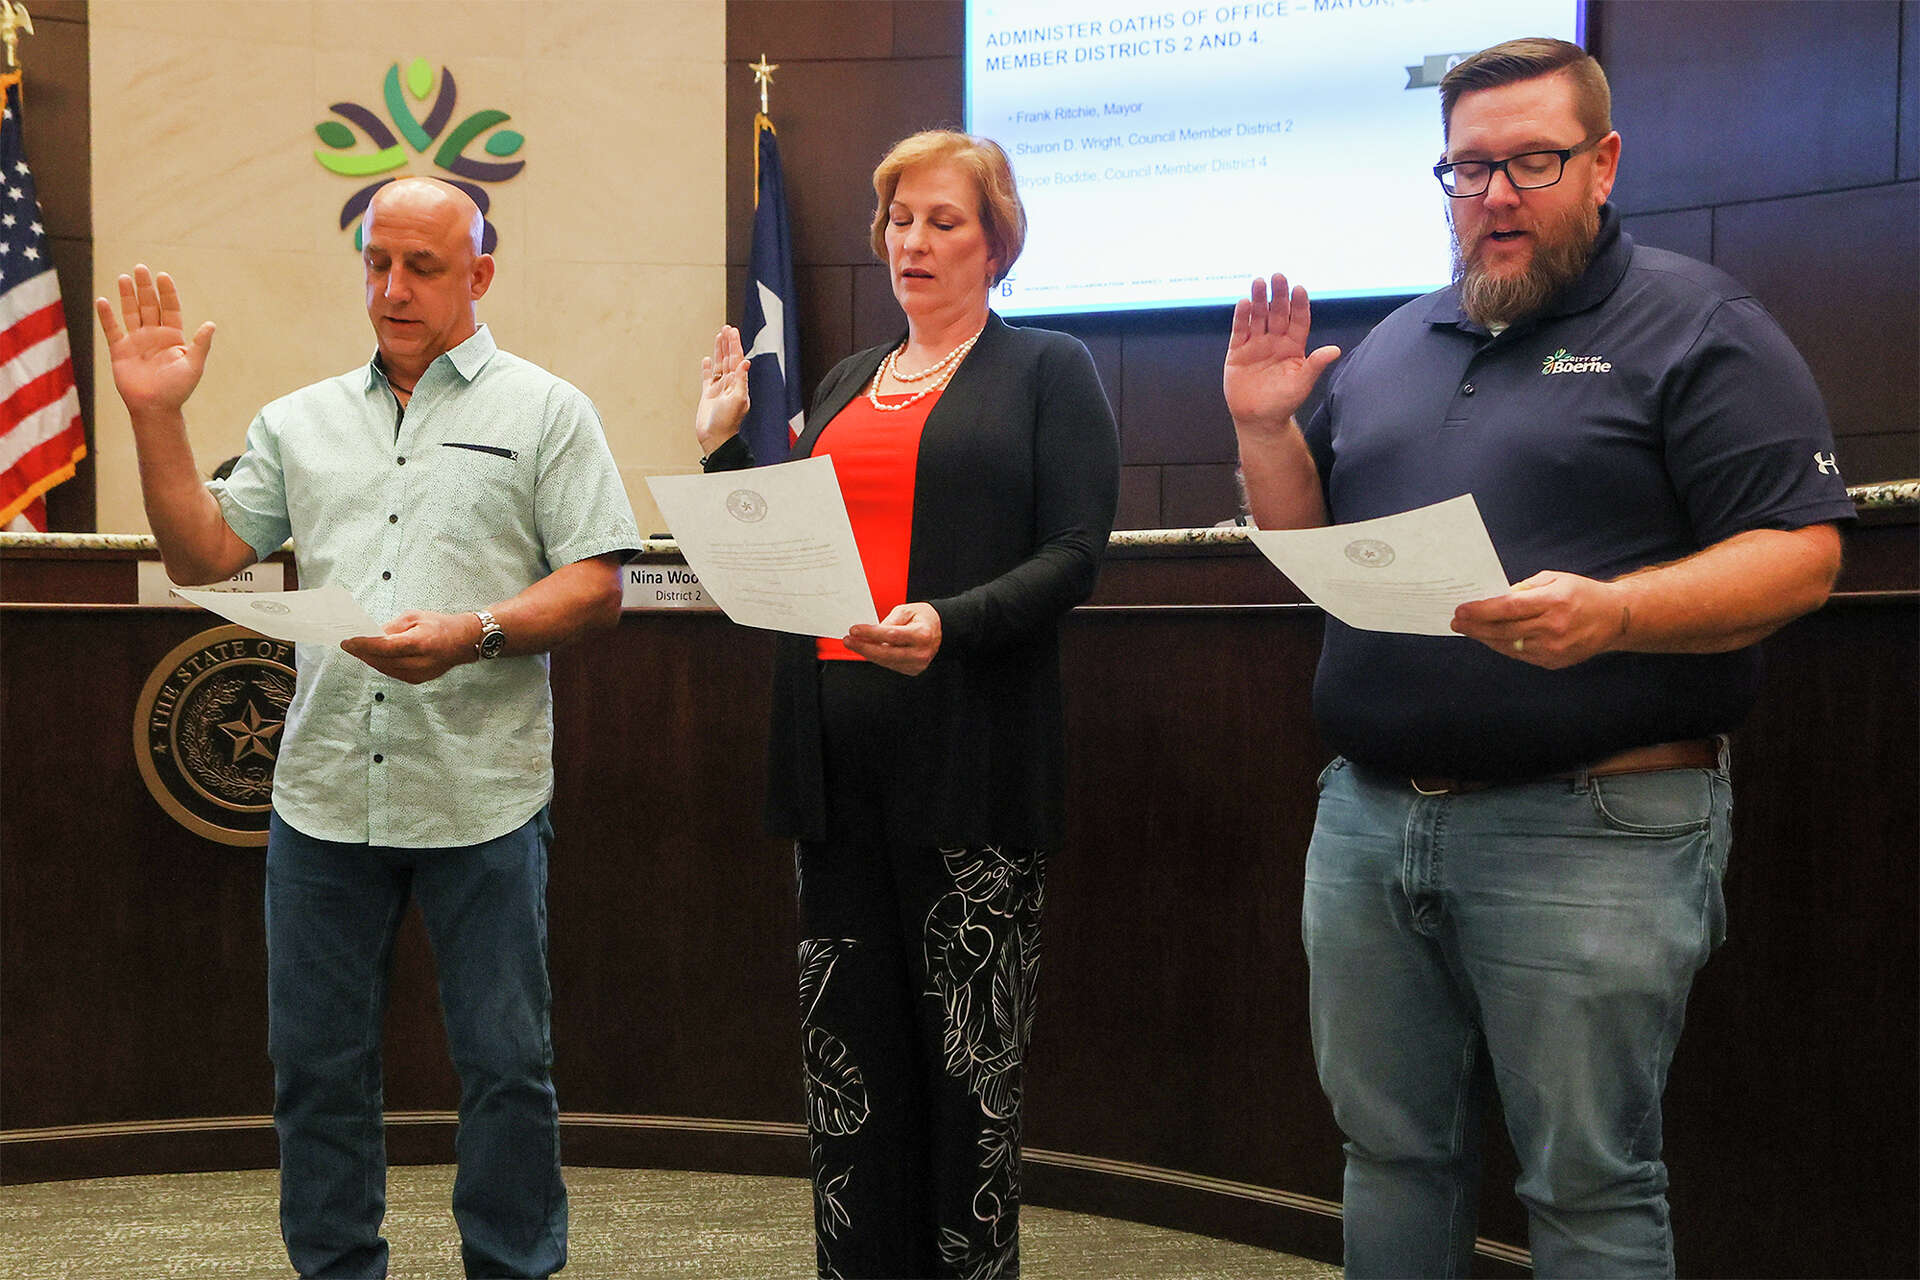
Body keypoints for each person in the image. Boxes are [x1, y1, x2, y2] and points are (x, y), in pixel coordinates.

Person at [1222, 38, 1854, 1278]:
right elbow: (1311, 548)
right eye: (1468, 168)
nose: (1496, 195)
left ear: (1604, 164)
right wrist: (1263, 429)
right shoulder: (1398, 341)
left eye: (1533, 162)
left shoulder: (1701, 322)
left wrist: (1614, 613)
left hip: (1595, 822)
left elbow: (1804, 555)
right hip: (1368, 819)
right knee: (1388, 1152)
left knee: (1588, 1183)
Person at [96, 177, 640, 1279]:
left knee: (504, 1065)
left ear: (479, 275)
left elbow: (596, 583)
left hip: (481, 794)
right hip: (327, 792)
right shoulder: (299, 421)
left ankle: (512, 1266)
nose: (392, 288)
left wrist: (476, 628)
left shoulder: (546, 410)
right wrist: (157, 413)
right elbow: (205, 555)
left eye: (424, 267)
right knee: (317, 1070)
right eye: (377, 262)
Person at [693, 130, 1119, 1278]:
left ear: (997, 241)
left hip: (969, 768)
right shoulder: (840, 382)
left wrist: (952, 619)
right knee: (849, 1071)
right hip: (833, 770)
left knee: (967, 1077)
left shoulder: (1047, 370)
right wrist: (729, 450)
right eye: (898, 220)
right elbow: (778, 554)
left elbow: (1078, 552)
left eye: (944, 220)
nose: (913, 241)